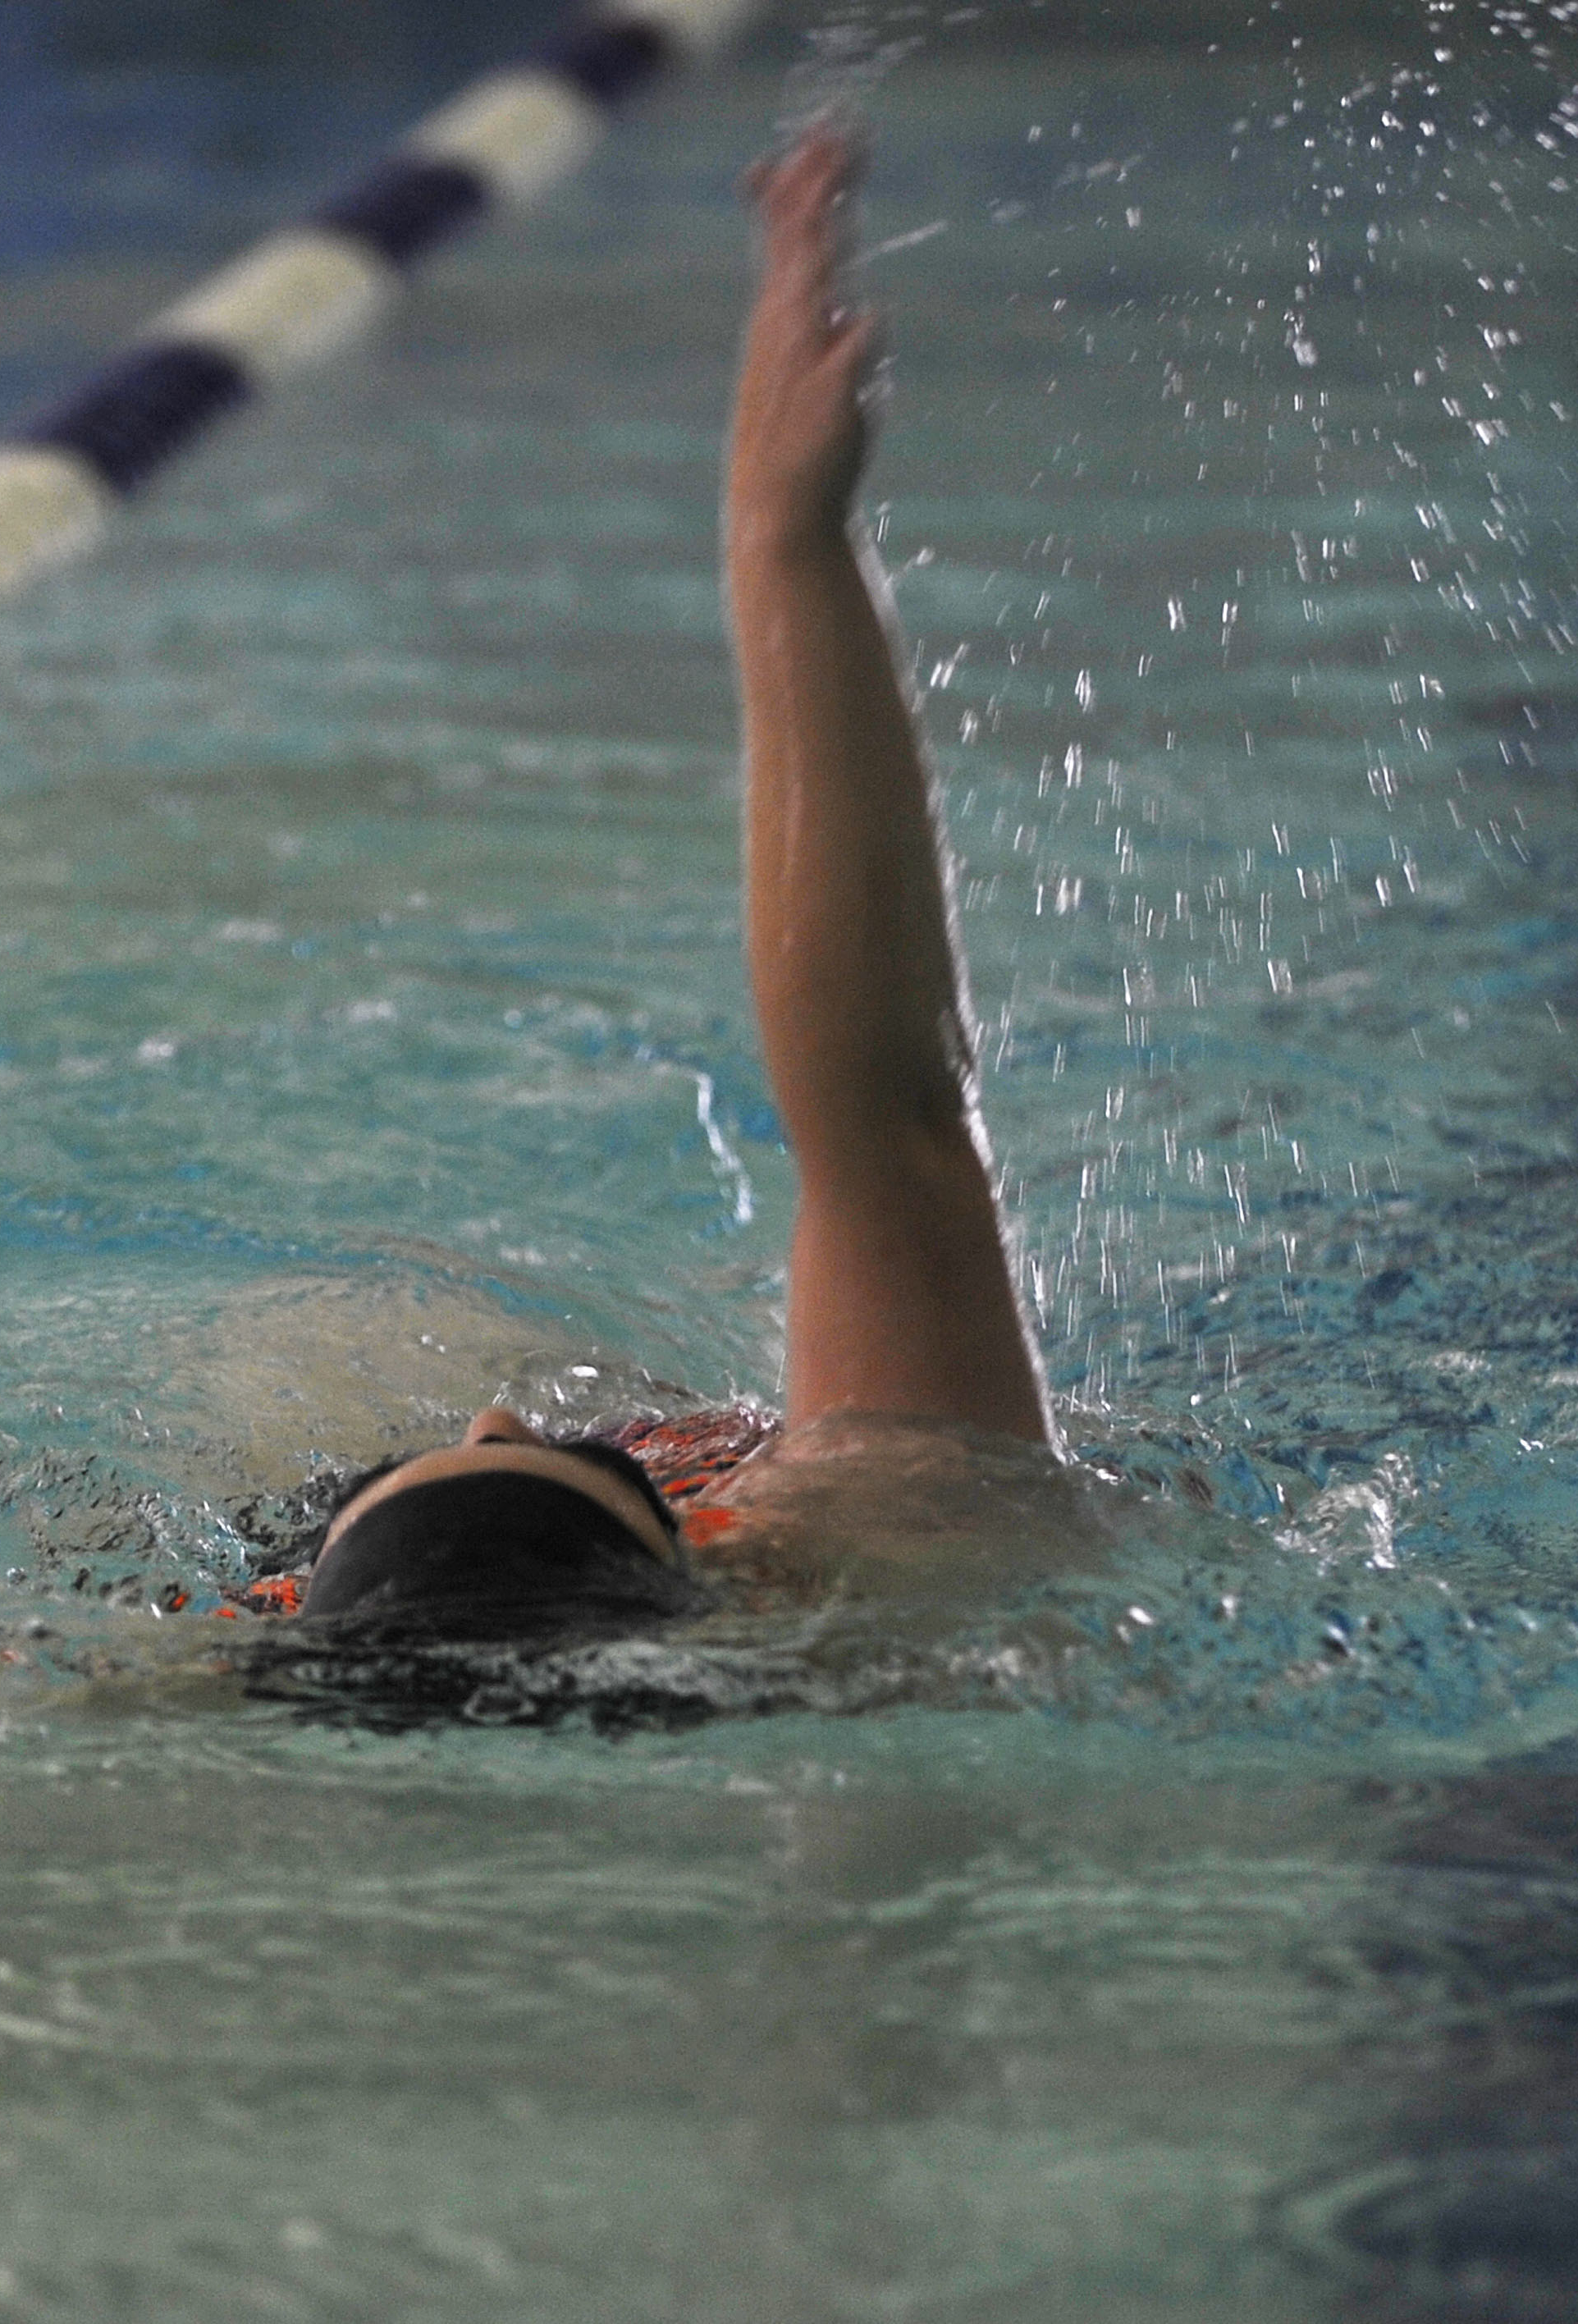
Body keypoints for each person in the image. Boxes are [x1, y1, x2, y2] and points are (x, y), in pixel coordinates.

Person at [292, 129, 1054, 1645]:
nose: (501, 1408)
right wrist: (785, 548)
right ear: (726, 1560)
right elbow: (883, 1112)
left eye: (416, 1463)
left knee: (312, 1345)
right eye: (583, 1463)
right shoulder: (910, 1546)